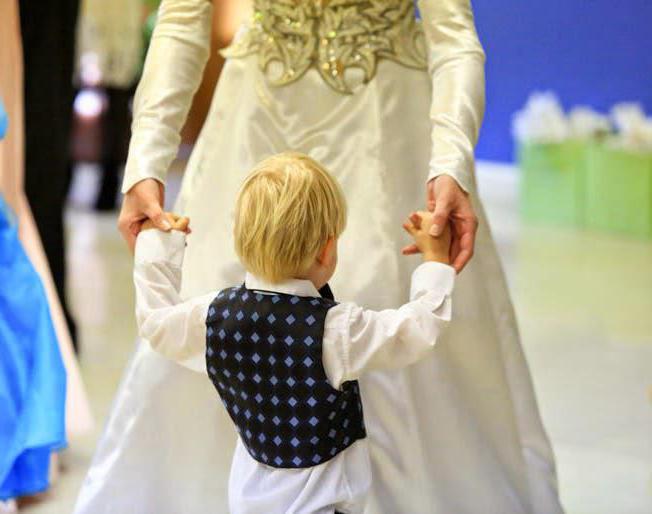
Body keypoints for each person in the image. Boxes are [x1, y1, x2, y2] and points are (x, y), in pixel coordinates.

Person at [76, 1, 564, 512]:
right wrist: (145, 163)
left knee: (381, 311)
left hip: (383, 118)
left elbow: (454, 34)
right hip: (256, 114)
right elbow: (181, 17)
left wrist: (451, 161)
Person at [133, 153, 455, 513]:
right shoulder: (337, 331)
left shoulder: (212, 317)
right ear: (327, 250)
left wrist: (158, 246)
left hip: (249, 497)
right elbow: (417, 330)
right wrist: (436, 262)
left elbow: (155, 322)